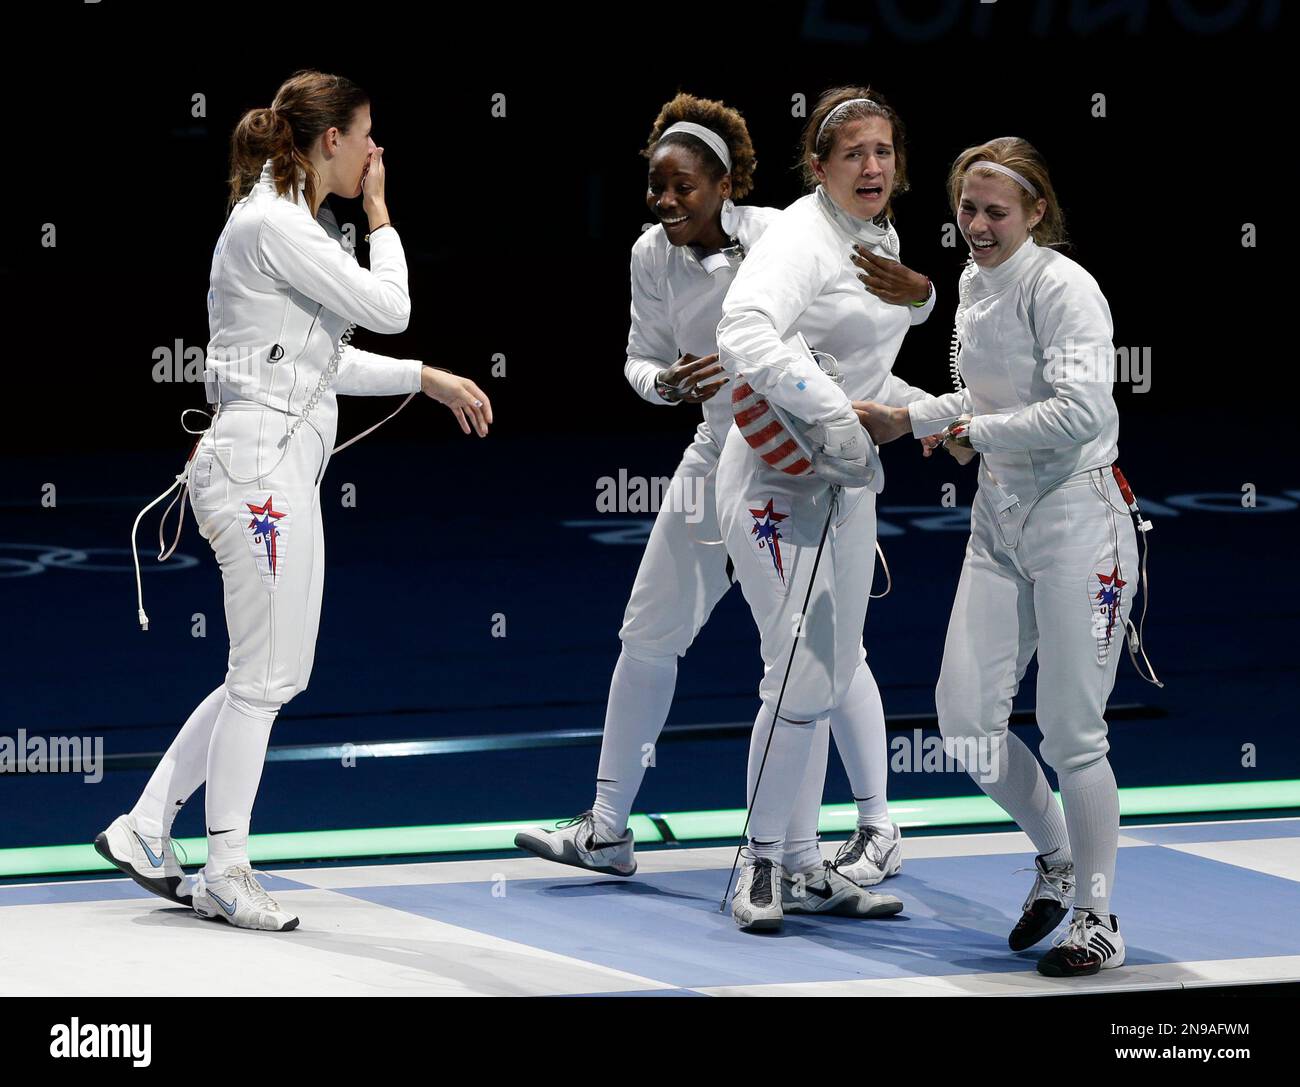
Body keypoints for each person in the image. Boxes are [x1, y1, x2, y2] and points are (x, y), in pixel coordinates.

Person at [96, 70, 491, 931]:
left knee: (267, 673)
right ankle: (225, 866)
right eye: (367, 136)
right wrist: (383, 216)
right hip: (257, 473)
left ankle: (144, 826)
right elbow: (390, 306)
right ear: (329, 143)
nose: (376, 151)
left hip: (262, 464)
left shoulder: (288, 226)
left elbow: (327, 362)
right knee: (266, 675)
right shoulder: (278, 223)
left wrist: (420, 378)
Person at [515, 94, 903, 913]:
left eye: (682, 187)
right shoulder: (650, 255)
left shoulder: (782, 238)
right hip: (716, 451)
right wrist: (659, 384)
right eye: (655, 187)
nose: (664, 202)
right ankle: (608, 826)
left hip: (798, 461)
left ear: (726, 185)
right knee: (650, 631)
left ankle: (865, 830)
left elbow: (848, 338)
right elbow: (637, 354)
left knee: (817, 657)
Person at [856, 137, 1138, 976]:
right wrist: (912, 417)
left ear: (1037, 212)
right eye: (967, 210)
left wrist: (962, 428)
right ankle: (1054, 854)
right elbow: (987, 401)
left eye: (995, 212)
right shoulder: (976, 287)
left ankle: (1097, 915)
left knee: (1072, 731)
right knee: (967, 723)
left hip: (1080, 520)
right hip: (1000, 518)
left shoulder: (1065, 288)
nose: (976, 226)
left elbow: (1081, 411)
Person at [713, 87, 938, 932]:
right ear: (819, 167)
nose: (873, 167)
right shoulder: (804, 237)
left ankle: (806, 863)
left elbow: (861, 359)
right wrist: (836, 414)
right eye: (854, 155)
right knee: (798, 671)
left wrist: (921, 324)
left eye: (883, 152)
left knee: (837, 666)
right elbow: (743, 332)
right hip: (774, 489)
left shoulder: (876, 236)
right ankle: (759, 863)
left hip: (845, 485)